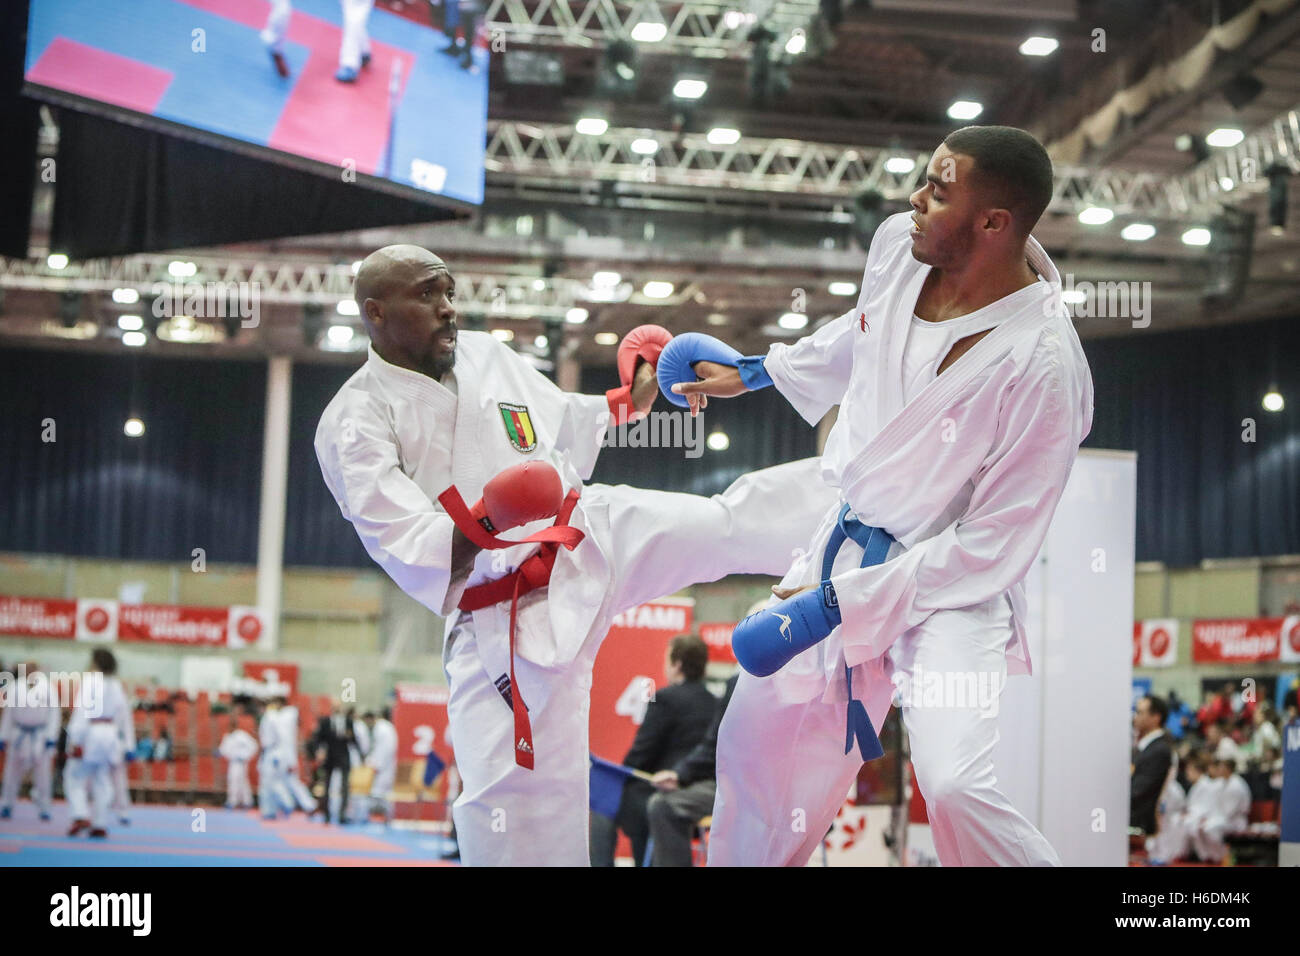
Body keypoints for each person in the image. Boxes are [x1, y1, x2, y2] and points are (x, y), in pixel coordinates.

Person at [314, 244, 834, 865]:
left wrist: (634, 399)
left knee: (721, 522)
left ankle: (859, 503)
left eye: (449, 292)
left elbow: (560, 423)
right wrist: (488, 520)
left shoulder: (486, 354)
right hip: (503, 615)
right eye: (428, 295)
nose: (449, 309)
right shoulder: (352, 419)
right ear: (375, 312)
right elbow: (397, 535)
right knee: (519, 806)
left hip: (585, 529)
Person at [670, 126, 1093, 867]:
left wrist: (840, 607)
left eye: (938, 187)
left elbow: (993, 544)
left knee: (955, 783)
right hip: (844, 545)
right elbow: (862, 331)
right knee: (755, 741)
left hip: (952, 589)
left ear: (994, 222)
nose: (915, 198)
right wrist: (760, 370)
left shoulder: (1045, 366)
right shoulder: (901, 244)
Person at [614, 635, 717, 866]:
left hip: (670, 788)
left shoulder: (662, 698)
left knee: (610, 799)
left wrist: (622, 773)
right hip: (702, 789)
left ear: (677, 664)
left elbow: (641, 752)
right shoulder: (714, 700)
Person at [647, 672, 738, 867]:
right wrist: (680, 775)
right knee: (662, 805)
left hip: (765, 791)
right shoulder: (737, 684)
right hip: (731, 785)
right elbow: (715, 744)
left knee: (660, 805)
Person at [65, 650, 134, 838]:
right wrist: (128, 745)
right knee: (102, 779)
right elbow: (124, 716)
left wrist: (75, 740)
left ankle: (80, 814)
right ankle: (100, 822)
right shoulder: (116, 685)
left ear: (95, 663)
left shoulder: (90, 681)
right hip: (110, 734)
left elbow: (82, 712)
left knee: (74, 776)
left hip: (90, 732)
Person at [0, 661, 61, 820]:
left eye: (33, 668)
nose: (30, 671)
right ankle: (6, 804)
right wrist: (3, 736)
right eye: (27, 669)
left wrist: (51, 736)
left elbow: (54, 714)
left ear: (38, 670)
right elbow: (8, 714)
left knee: (42, 775)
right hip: (18, 734)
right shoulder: (15, 687)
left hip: (39, 735)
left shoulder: (47, 687)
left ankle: (44, 807)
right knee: (11, 773)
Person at [1190, 757, 1250, 863]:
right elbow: (1213, 805)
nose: (1219, 769)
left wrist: (1212, 819)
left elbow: (1229, 811)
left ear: (1228, 769)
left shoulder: (1236, 785)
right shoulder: (1220, 783)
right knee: (1200, 826)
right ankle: (1210, 856)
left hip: (1235, 821)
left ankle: (1223, 856)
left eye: (1222, 767)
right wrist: (1207, 817)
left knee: (1210, 828)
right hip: (1221, 818)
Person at [1130, 694, 1173, 836]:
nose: (1135, 717)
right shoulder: (1146, 747)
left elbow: (1140, 791)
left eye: (1140, 712)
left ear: (1156, 717)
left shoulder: (1159, 750)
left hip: (1142, 822)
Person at [311, 704, 355, 824]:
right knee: (327, 786)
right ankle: (326, 814)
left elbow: (354, 740)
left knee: (345, 787)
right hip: (329, 757)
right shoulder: (325, 721)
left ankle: (342, 814)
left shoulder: (348, 721)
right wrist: (318, 751)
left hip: (344, 756)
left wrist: (362, 756)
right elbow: (318, 738)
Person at [257, 698, 292, 819]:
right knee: (268, 783)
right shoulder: (269, 717)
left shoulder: (272, 717)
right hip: (270, 751)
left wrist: (278, 755)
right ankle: (270, 810)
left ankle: (285, 804)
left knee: (270, 783)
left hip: (274, 752)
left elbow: (281, 737)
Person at [362, 709, 398, 823]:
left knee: (381, 793)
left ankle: (387, 818)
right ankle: (380, 818)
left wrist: (376, 764)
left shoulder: (382, 729)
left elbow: (386, 749)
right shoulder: (383, 727)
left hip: (384, 766)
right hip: (383, 765)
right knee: (380, 793)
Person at [218, 714, 259, 809]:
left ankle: (240, 801)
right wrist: (219, 752)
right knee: (235, 781)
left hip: (241, 762)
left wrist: (245, 756)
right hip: (233, 762)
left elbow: (253, 745)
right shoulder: (228, 736)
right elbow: (224, 749)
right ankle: (241, 801)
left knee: (239, 781)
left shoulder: (241, 735)